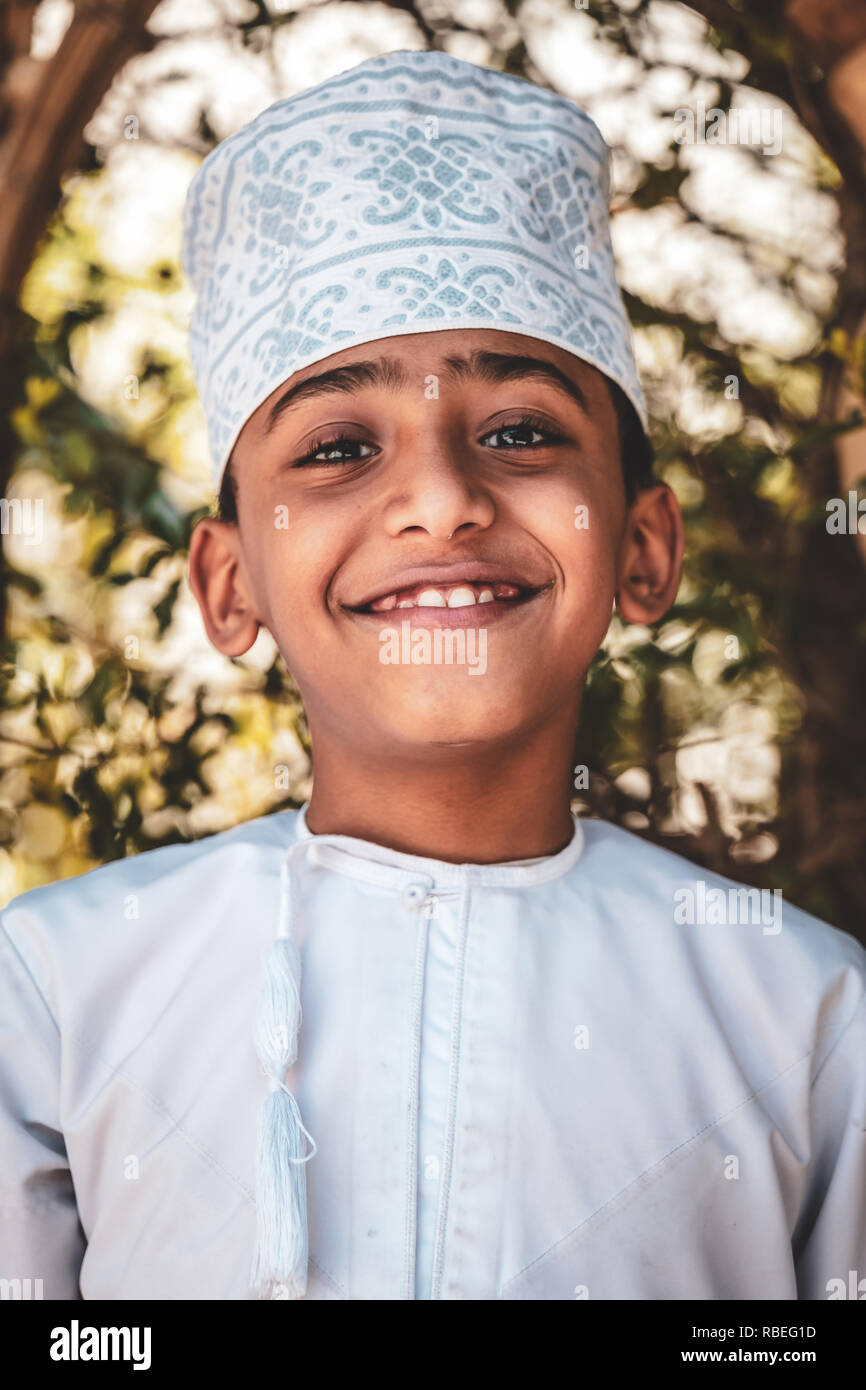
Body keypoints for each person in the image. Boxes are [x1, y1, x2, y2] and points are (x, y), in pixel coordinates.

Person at [1, 47, 864, 1303]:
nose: (443, 502)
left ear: (638, 546)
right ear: (229, 584)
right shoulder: (54, 989)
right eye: (339, 446)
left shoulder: (808, 1013)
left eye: (518, 430)